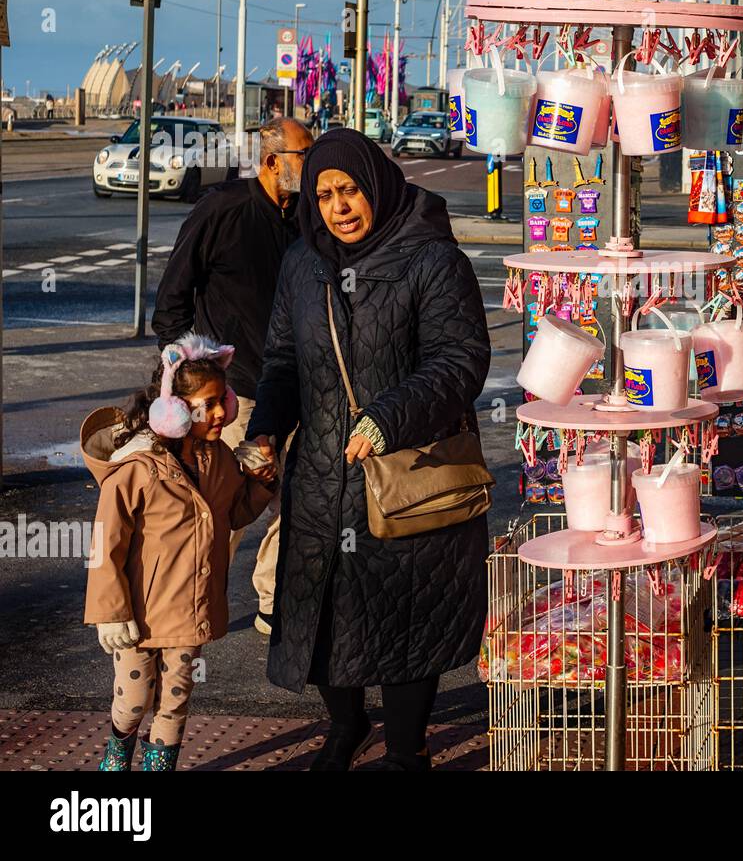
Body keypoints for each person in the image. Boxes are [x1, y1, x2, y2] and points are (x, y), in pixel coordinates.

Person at [247, 128, 491, 772]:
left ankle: (408, 749)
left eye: (349, 190)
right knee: (325, 614)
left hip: (405, 473)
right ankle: (347, 724)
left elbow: (460, 360)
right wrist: (265, 428)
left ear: (376, 186)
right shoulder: (304, 261)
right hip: (324, 476)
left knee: (405, 619)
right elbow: (281, 359)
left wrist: (389, 416)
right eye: (324, 194)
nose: (338, 206)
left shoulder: (432, 259)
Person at [82, 335, 278, 771]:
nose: (219, 413)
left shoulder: (219, 458)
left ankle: (159, 766)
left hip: (189, 611)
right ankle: (118, 748)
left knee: (174, 700)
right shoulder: (137, 468)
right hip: (138, 613)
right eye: (205, 404)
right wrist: (110, 611)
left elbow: (234, 513)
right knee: (134, 701)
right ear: (172, 409)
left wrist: (262, 481)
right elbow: (105, 545)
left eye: (222, 400)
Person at [152, 117, 309, 634]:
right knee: (224, 503)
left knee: (298, 497)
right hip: (235, 395)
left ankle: (271, 598)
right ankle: (192, 600)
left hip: (298, 388)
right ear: (271, 162)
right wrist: (182, 376)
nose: (312, 166)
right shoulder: (222, 210)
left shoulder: (306, 216)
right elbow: (174, 295)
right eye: (303, 156)